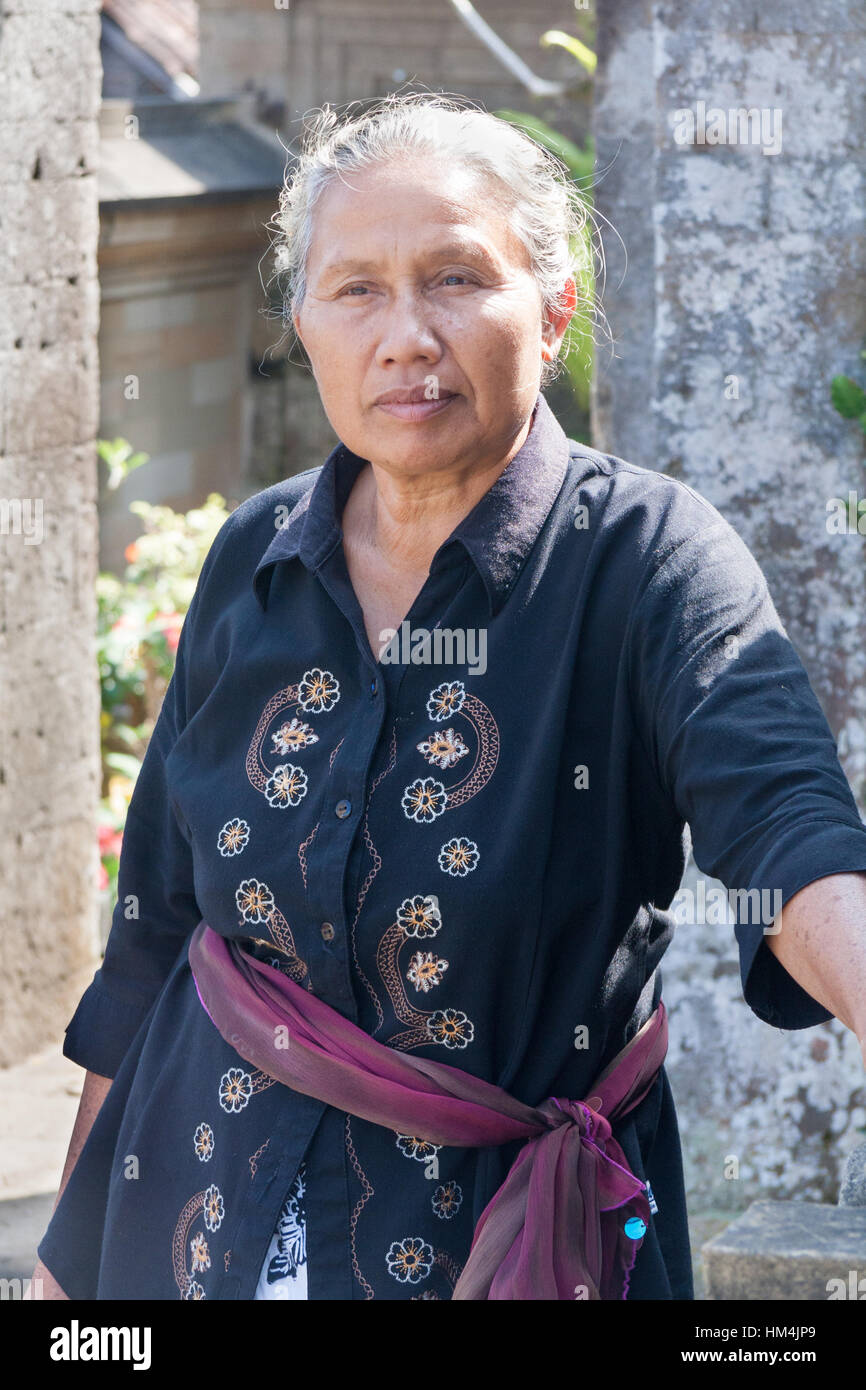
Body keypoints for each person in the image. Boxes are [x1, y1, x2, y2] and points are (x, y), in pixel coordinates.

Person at [33, 92, 866, 1301]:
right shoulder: (256, 557)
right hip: (190, 1226)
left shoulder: (644, 560)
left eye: (457, 279)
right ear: (303, 323)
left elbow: (785, 829)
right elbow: (157, 932)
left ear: (555, 306)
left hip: (504, 1245)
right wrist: (67, 1271)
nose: (405, 336)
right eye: (355, 288)